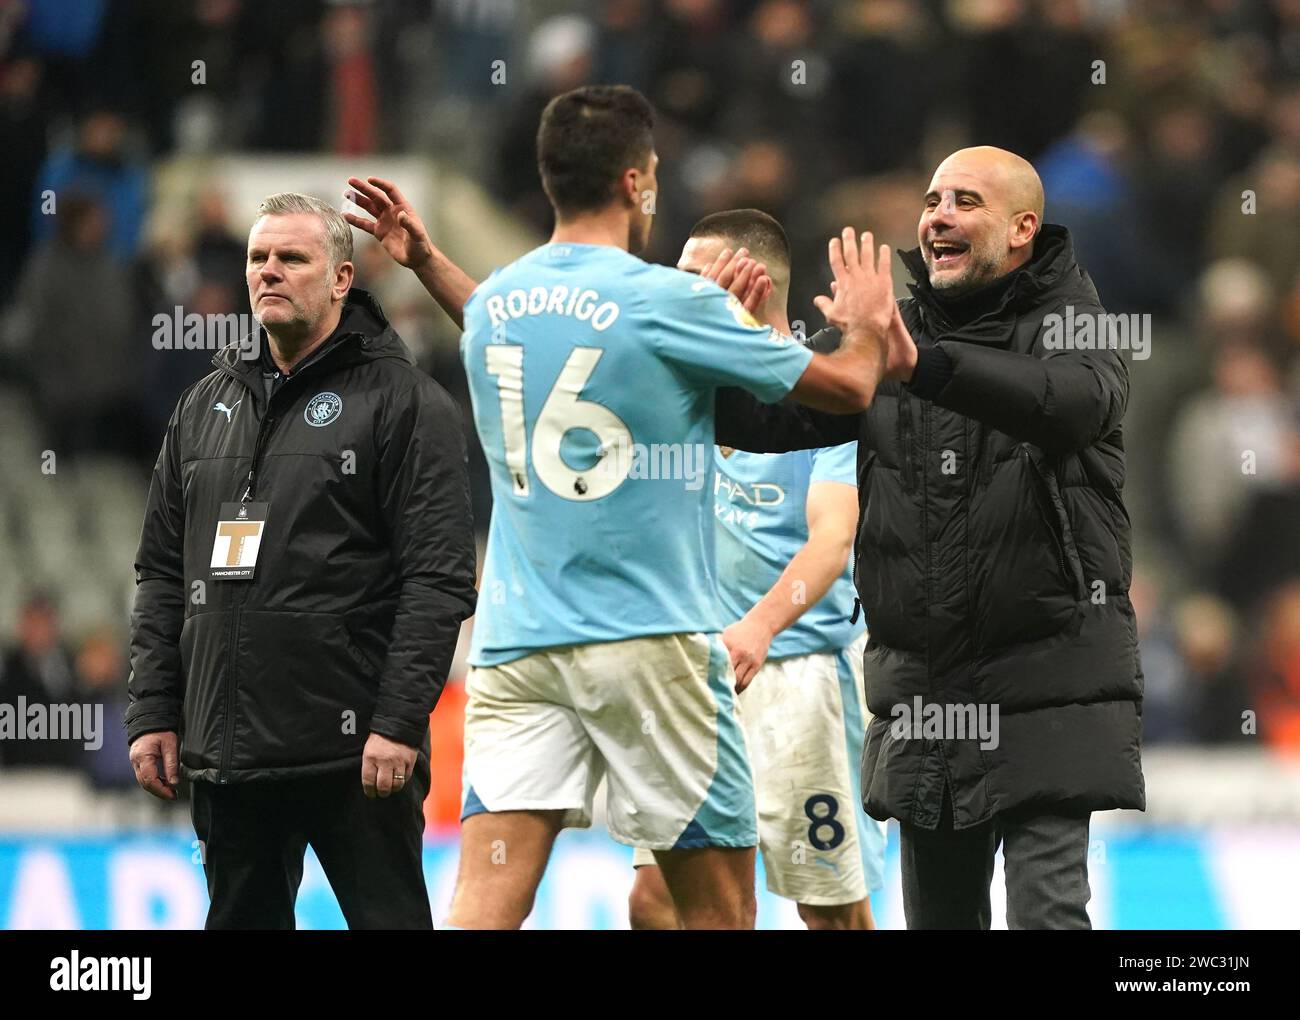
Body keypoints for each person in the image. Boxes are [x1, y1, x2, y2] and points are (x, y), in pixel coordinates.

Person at [343, 84, 911, 929]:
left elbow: (488, 318)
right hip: (650, 642)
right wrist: (866, 322)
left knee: (486, 902)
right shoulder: (663, 300)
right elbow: (849, 386)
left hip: (516, 649)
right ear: (640, 183)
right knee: (715, 908)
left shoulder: (501, 305)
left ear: (547, 181)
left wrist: (426, 261)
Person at [715, 146, 1145, 929]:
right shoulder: (889, 335)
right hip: (925, 691)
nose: (937, 215)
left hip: (1048, 681)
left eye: (965, 202)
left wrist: (921, 366)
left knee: (1047, 917)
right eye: (932, 198)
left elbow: (1063, 404)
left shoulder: (1078, 320)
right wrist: (729, 344)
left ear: (1023, 228)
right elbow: (763, 420)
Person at [125, 192, 478, 930]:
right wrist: (155, 709)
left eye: (292, 257)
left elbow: (439, 579)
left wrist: (399, 722)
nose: (269, 273)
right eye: (259, 257)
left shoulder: (406, 403)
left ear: (342, 279)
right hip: (229, 753)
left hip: (358, 757)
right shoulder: (202, 406)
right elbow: (160, 571)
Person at [626, 209, 887, 930]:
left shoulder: (823, 395)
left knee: (830, 910)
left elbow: (832, 541)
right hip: (696, 676)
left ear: (752, 282)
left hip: (801, 677)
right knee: (656, 901)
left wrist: (758, 627)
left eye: (691, 275)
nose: (672, 289)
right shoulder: (679, 390)